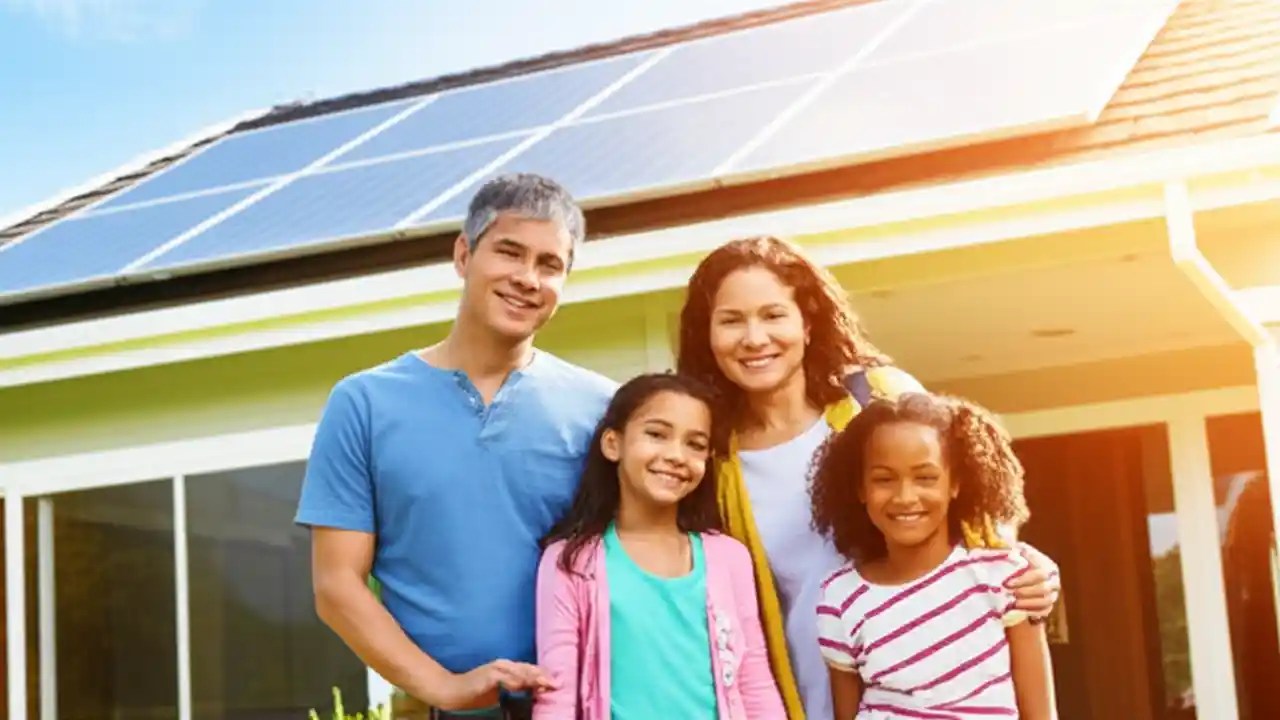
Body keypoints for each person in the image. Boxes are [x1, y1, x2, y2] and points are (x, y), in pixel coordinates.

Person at [675, 236, 1061, 720]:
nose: (754, 338)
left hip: (935, 695)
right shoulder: (708, 457)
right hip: (796, 701)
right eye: (732, 320)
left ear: (807, 322)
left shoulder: (875, 398)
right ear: (707, 334)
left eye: (773, 315)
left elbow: (973, 511)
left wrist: (1027, 566)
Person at [295, 173, 618, 720]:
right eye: (509, 252)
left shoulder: (603, 409)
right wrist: (447, 688)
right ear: (463, 254)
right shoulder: (364, 405)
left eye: (549, 265)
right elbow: (336, 584)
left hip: (585, 703)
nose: (527, 279)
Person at [534, 372, 786, 720]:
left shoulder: (729, 557)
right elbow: (556, 697)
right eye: (656, 435)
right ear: (613, 444)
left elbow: (754, 680)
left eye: (695, 444)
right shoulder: (569, 561)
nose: (677, 455)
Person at [810, 392, 1056, 719]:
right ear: (860, 489)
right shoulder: (840, 597)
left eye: (925, 478)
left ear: (955, 483)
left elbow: (1040, 713)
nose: (905, 496)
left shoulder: (1004, 577)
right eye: (884, 479)